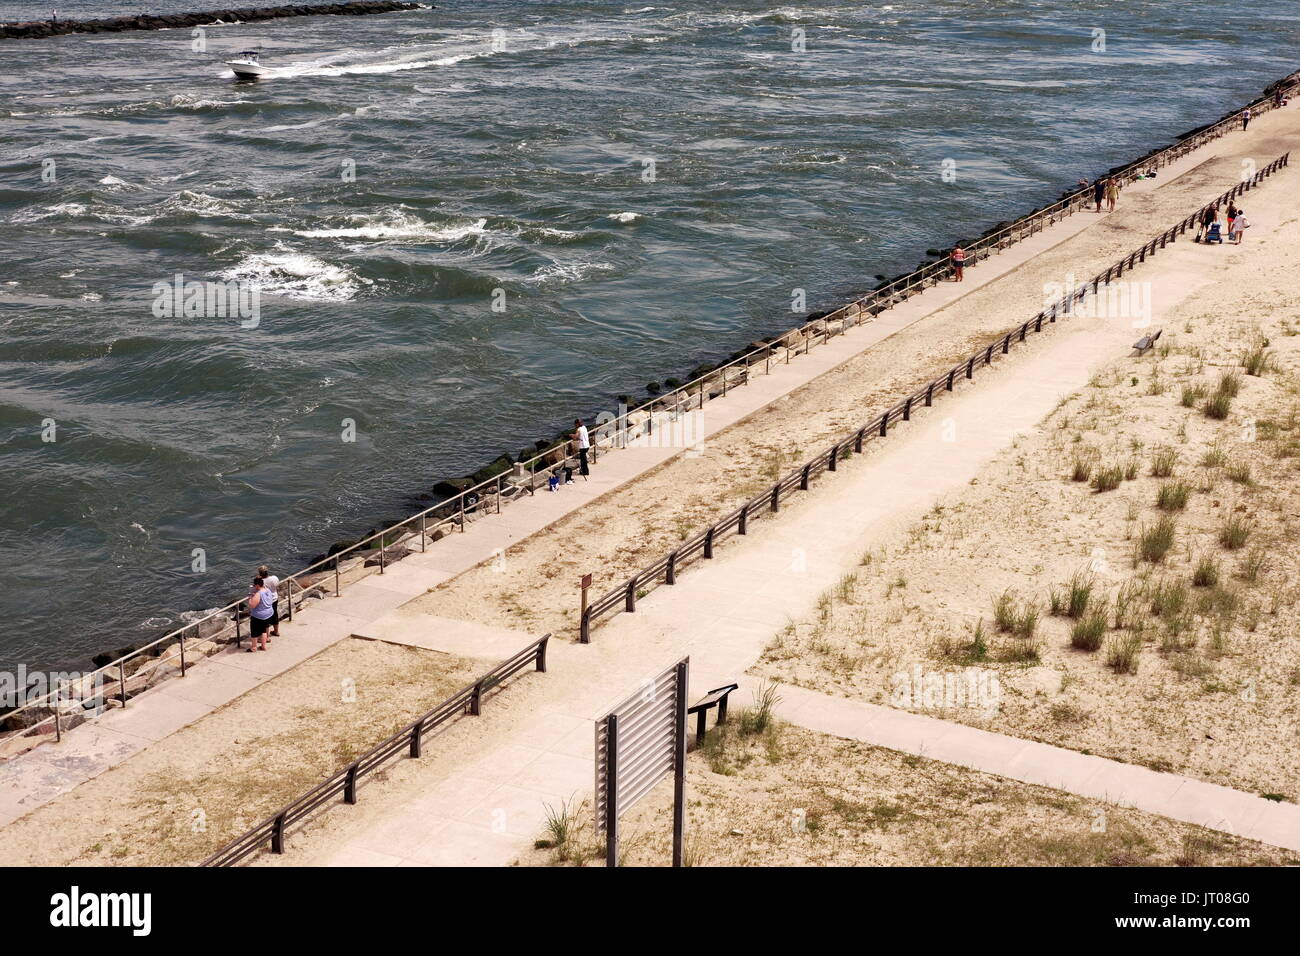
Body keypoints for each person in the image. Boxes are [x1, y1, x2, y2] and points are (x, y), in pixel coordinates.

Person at [246, 576, 274, 652]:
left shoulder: (258, 594)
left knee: (254, 632)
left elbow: (252, 605)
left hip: (259, 616)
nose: (254, 586)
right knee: (263, 630)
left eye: (254, 585)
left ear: (257, 585)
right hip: (268, 613)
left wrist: (250, 597)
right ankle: (263, 646)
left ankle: (254, 647)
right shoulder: (267, 590)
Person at [258, 564, 280, 638]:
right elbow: (277, 585)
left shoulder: (261, 582)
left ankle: (266, 637)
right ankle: (276, 631)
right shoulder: (274, 578)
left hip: (266, 601)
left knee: (266, 618)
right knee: (275, 615)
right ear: (267, 571)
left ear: (260, 573)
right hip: (275, 598)